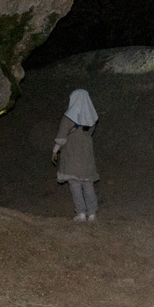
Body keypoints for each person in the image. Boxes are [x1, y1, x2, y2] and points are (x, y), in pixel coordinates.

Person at [52, 89, 100, 222]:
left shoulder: (68, 117)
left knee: (75, 184)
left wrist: (55, 150)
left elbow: (61, 137)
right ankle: (92, 213)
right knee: (87, 183)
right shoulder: (92, 118)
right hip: (86, 154)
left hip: (72, 153)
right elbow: (88, 134)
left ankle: (81, 213)